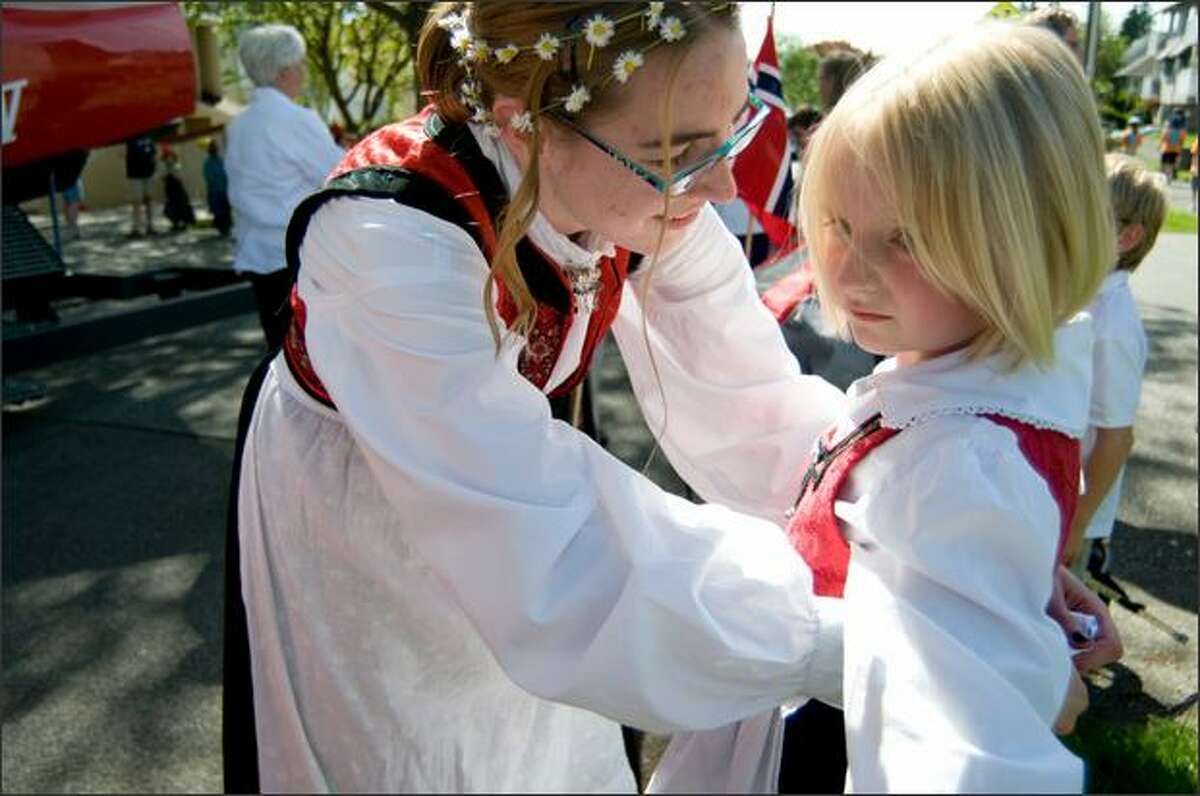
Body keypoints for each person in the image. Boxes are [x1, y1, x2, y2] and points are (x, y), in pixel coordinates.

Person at [225, 4, 1119, 793]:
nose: (723, 187)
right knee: (415, 753)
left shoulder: (637, 188)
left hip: (521, 513)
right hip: (371, 543)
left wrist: (938, 556)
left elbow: (749, 403)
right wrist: (894, 652)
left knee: (546, 745)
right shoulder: (387, 240)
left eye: (729, 133)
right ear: (525, 124)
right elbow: (559, 559)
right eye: (680, 152)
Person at [653, 21, 1119, 793]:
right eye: (837, 224)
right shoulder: (973, 381)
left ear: (1026, 239)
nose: (853, 270)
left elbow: (962, 754)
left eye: (905, 237)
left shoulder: (962, 463)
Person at [1063, 154, 1166, 584]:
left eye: (1086, 210)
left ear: (1126, 237)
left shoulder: (1114, 326)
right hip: (1051, 491)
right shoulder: (1080, 292)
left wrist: (1078, 524)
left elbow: (1116, 437)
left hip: (1074, 509)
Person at [225, 23, 344, 350]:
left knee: (279, 351)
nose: (303, 71)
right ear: (283, 71)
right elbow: (339, 174)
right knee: (315, 360)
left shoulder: (239, 124)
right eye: (299, 64)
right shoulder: (294, 119)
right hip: (296, 255)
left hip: (257, 253)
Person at [125, 134, 157, 237]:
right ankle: (136, 228)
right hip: (135, 175)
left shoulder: (149, 137)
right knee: (137, 201)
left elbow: (154, 153)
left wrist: (154, 169)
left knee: (149, 200)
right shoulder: (130, 137)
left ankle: (150, 226)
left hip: (149, 173)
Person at [160, 144, 196, 232]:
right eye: (167, 155)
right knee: (172, 205)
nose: (168, 157)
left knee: (182, 204)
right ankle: (175, 222)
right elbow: (162, 176)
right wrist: (167, 172)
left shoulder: (176, 162)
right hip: (170, 188)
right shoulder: (163, 164)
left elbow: (178, 174)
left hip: (178, 187)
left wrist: (171, 169)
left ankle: (184, 222)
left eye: (169, 154)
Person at [202, 139, 232, 237]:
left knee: (225, 210)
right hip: (215, 190)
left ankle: (226, 228)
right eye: (212, 148)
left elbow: (226, 173)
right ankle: (222, 229)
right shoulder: (208, 163)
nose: (214, 150)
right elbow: (208, 177)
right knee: (219, 211)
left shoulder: (220, 160)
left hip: (223, 190)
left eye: (215, 148)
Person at [1160, 112, 1186, 183]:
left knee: (1165, 164)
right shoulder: (1181, 132)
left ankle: (1165, 177)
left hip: (1166, 149)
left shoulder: (1167, 131)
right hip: (1176, 150)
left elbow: (1163, 139)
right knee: (1171, 164)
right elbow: (1182, 141)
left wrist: (1160, 146)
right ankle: (1170, 178)